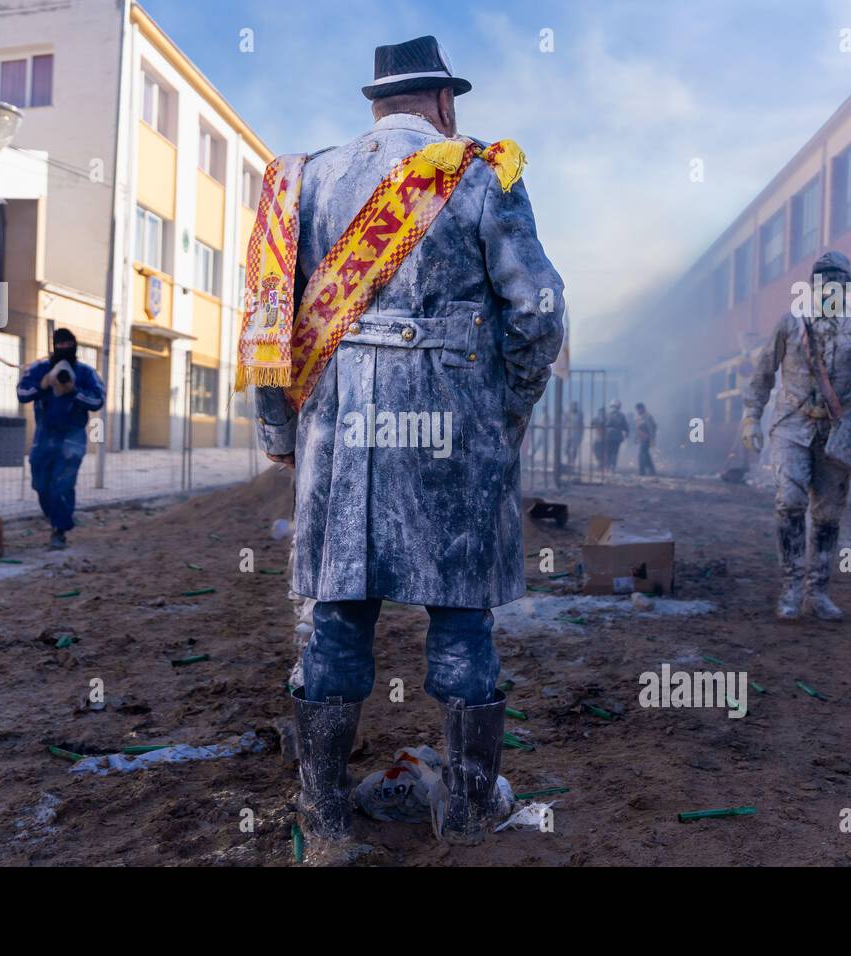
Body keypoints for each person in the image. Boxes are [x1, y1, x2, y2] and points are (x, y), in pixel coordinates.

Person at [244, 35, 564, 849]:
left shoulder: (302, 180)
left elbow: (267, 325)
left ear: (376, 104)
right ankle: (462, 809)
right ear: (445, 103)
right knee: (461, 616)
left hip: (341, 433)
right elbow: (540, 313)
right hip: (453, 429)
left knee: (338, 615)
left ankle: (323, 817)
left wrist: (280, 433)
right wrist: (507, 409)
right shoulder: (484, 172)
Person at [742, 251, 851, 621]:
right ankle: (792, 588)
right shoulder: (790, 324)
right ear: (812, 288)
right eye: (822, 283)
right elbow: (762, 373)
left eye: (837, 283)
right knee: (790, 500)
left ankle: (819, 591)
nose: (830, 289)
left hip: (840, 429)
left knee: (828, 514)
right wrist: (751, 416)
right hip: (792, 425)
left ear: (848, 287)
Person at [16, 329, 105, 550]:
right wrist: (43, 384)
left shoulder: (86, 372)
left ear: (75, 345)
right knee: (40, 484)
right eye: (60, 343)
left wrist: (74, 391)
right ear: (54, 346)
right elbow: (21, 393)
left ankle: (59, 530)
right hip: (44, 435)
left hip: (72, 436)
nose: (65, 348)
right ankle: (55, 517)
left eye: (69, 343)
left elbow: (97, 400)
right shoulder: (40, 369)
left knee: (63, 484)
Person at [604, 399, 629, 471]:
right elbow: (625, 426)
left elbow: (603, 424)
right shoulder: (621, 415)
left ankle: (609, 466)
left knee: (609, 452)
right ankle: (612, 466)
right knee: (614, 452)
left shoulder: (607, 414)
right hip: (617, 436)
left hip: (609, 435)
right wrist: (627, 433)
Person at [633, 402, 657, 475]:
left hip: (647, 438)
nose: (638, 411)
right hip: (641, 438)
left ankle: (642, 471)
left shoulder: (647, 416)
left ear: (643, 408)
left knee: (642, 454)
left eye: (639, 409)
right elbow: (637, 429)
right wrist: (636, 438)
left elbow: (652, 428)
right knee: (645, 454)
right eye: (637, 409)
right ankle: (651, 470)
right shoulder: (638, 417)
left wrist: (652, 438)